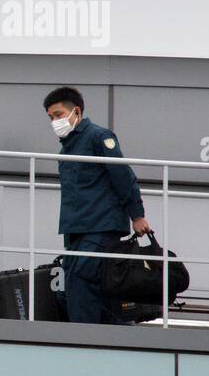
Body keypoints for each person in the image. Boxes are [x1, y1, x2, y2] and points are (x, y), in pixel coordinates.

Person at [44, 86, 151, 323]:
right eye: (51, 117)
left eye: (59, 114)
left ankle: (86, 345)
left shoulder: (98, 137)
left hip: (100, 229)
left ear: (76, 111)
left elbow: (122, 176)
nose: (54, 121)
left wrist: (137, 215)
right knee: (72, 292)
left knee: (82, 287)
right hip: (76, 233)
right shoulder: (67, 148)